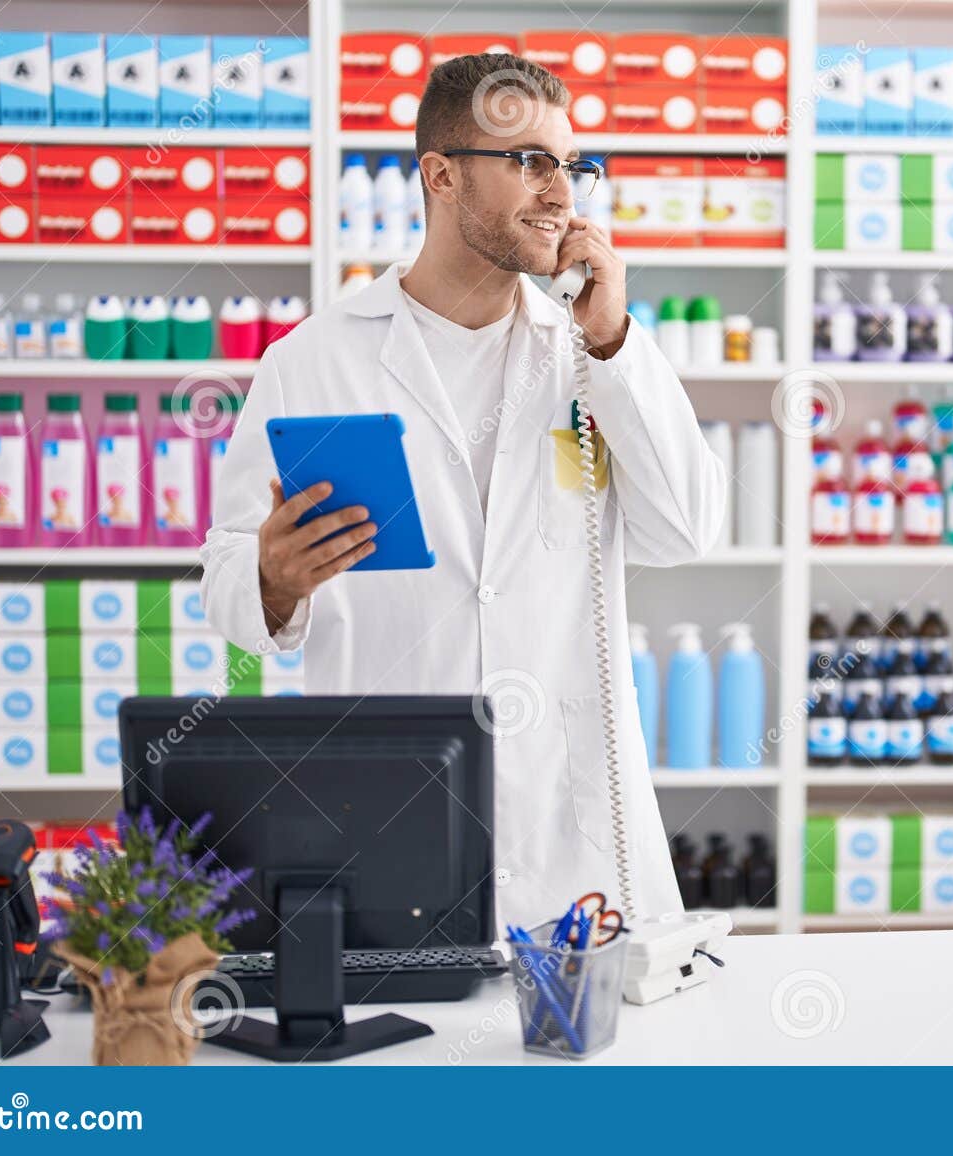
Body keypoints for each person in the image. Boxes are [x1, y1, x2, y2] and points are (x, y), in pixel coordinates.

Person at [200, 53, 727, 933]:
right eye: (528, 161)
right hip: (385, 821)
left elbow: (687, 529)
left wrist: (615, 344)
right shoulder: (312, 363)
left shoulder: (592, 350)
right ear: (440, 175)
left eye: (571, 165)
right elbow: (225, 580)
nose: (561, 191)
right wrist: (272, 577)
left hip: (575, 843)